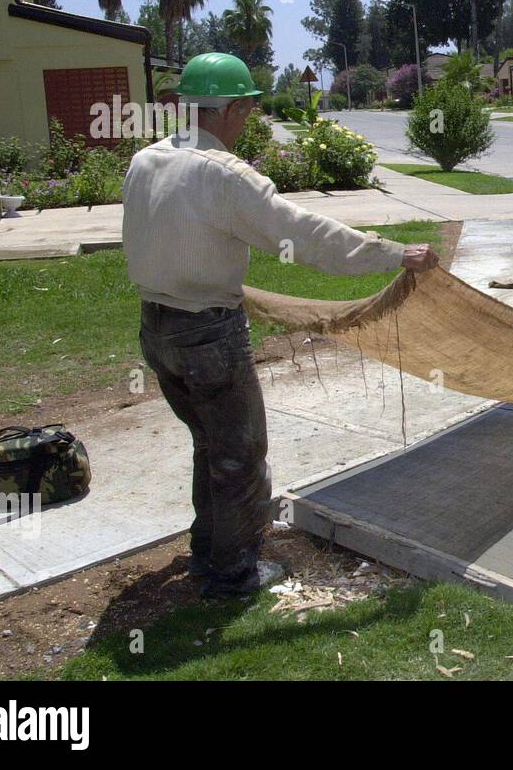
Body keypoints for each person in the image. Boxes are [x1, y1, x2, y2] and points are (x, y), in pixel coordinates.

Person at [122, 52, 438, 598]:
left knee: (209, 443)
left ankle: (208, 552)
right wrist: (392, 253)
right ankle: (234, 576)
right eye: (245, 110)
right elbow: (304, 235)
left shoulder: (146, 159)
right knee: (240, 457)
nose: (246, 122)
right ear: (232, 109)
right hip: (208, 334)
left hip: (156, 329)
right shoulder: (224, 175)